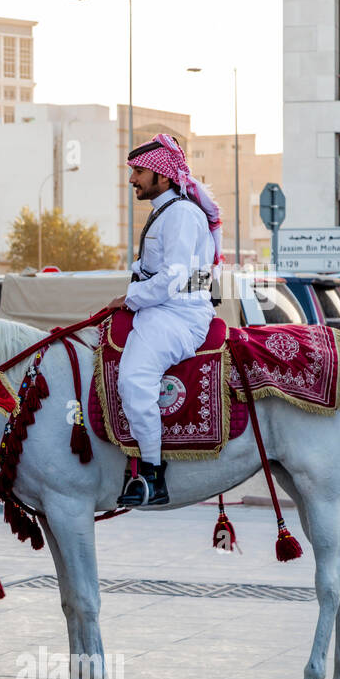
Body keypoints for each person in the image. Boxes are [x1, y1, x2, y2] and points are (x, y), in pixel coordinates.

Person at [105, 133, 222, 507]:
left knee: (134, 378)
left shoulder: (183, 215)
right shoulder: (167, 212)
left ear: (164, 176)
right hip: (161, 309)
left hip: (178, 315)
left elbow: (174, 278)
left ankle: (152, 475)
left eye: (139, 171)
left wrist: (131, 297)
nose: (132, 180)